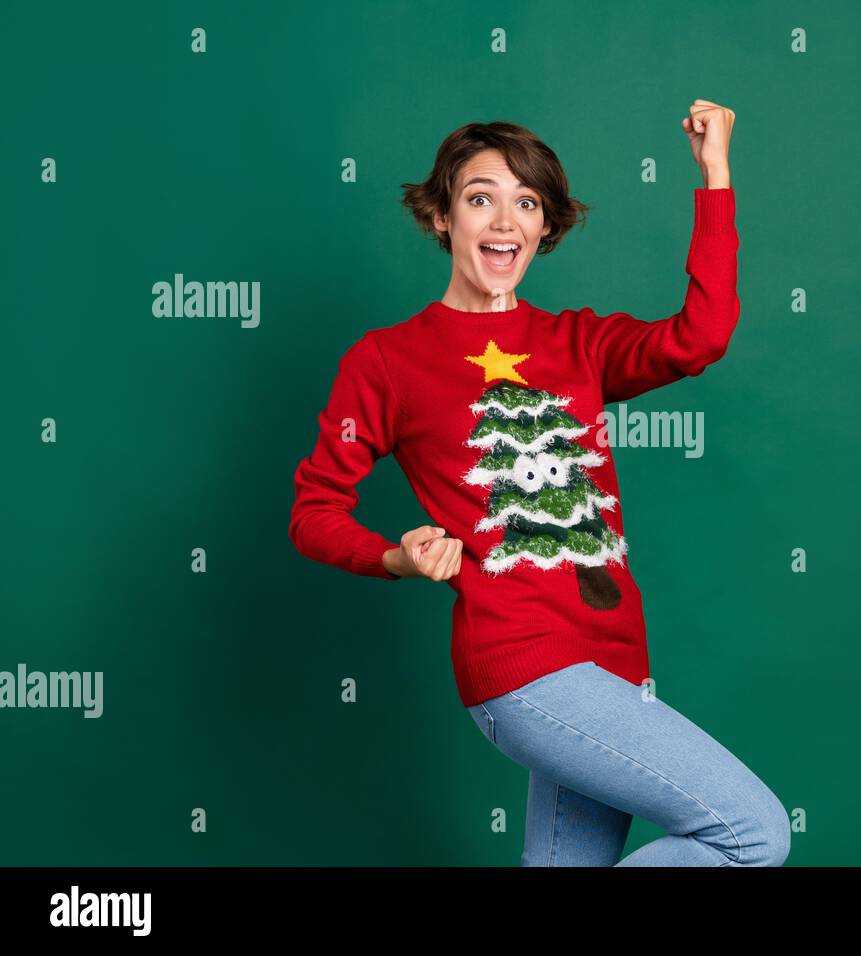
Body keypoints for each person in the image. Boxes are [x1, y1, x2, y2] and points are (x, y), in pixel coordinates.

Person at [288, 103, 789, 866]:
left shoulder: (578, 343)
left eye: (527, 203)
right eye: (480, 196)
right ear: (441, 215)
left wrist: (715, 174)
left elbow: (702, 336)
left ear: (545, 228)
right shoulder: (389, 360)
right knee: (751, 833)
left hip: (617, 663)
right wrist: (396, 556)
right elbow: (314, 509)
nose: (505, 219)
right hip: (525, 665)